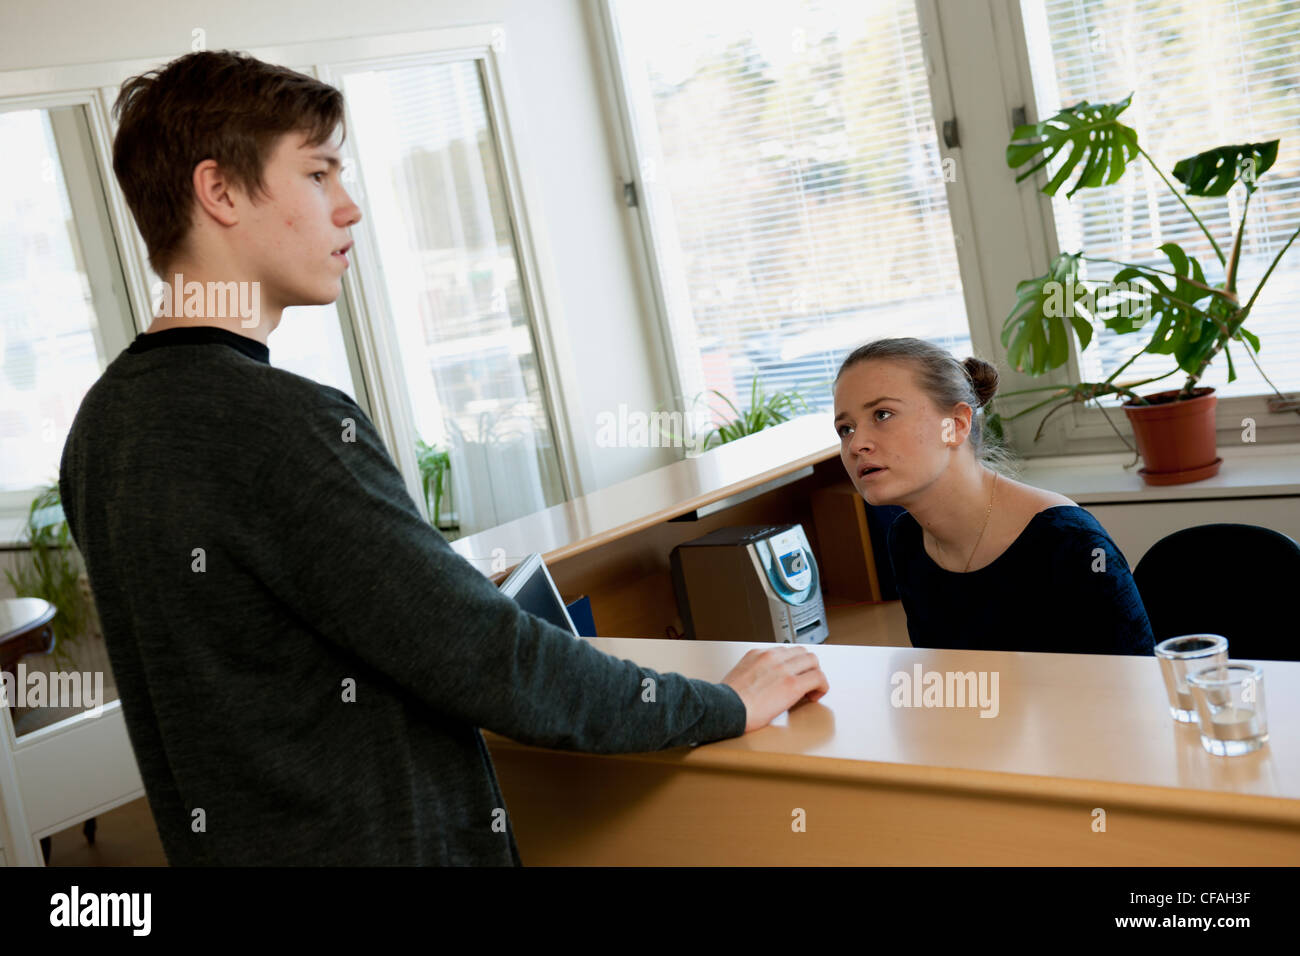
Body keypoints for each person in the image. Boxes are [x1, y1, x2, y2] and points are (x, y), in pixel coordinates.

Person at [57, 49, 828, 866]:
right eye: (319, 175)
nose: (348, 208)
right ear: (219, 192)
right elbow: (491, 661)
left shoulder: (101, 428)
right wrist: (721, 705)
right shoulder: (282, 425)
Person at [832, 337, 1153, 656]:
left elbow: (1137, 690)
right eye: (845, 428)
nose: (857, 443)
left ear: (955, 425)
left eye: (882, 415)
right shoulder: (906, 540)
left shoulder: (1070, 542)